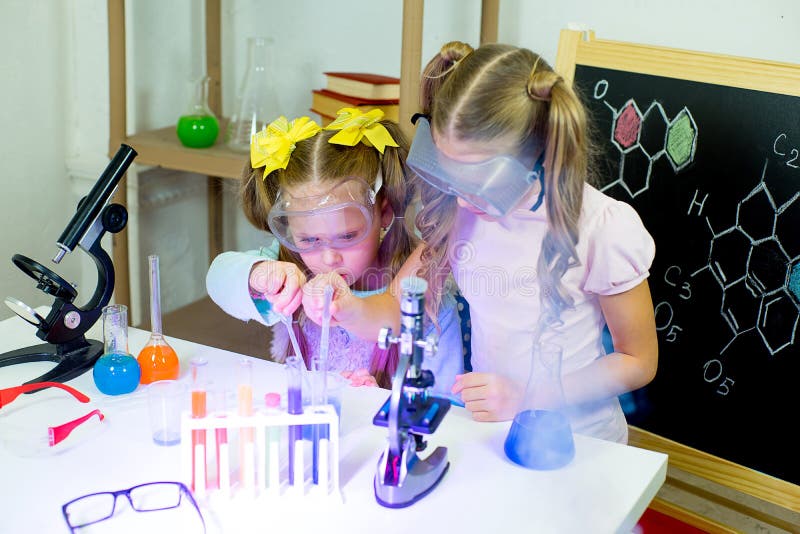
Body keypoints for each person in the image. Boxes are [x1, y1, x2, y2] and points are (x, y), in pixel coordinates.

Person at [310, 42, 658, 444]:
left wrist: (528, 397)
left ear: (538, 153)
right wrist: (345, 308)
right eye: (447, 169)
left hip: (575, 441)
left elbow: (637, 360)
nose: (459, 197)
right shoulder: (464, 212)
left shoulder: (603, 228)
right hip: (492, 431)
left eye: (478, 180)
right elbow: (398, 307)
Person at [206, 109, 464, 394]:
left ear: (385, 213)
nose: (329, 258)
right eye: (308, 240)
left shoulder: (427, 301)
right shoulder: (292, 270)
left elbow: (446, 409)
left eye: (347, 236)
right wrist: (257, 275)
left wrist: (379, 400)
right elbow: (218, 278)